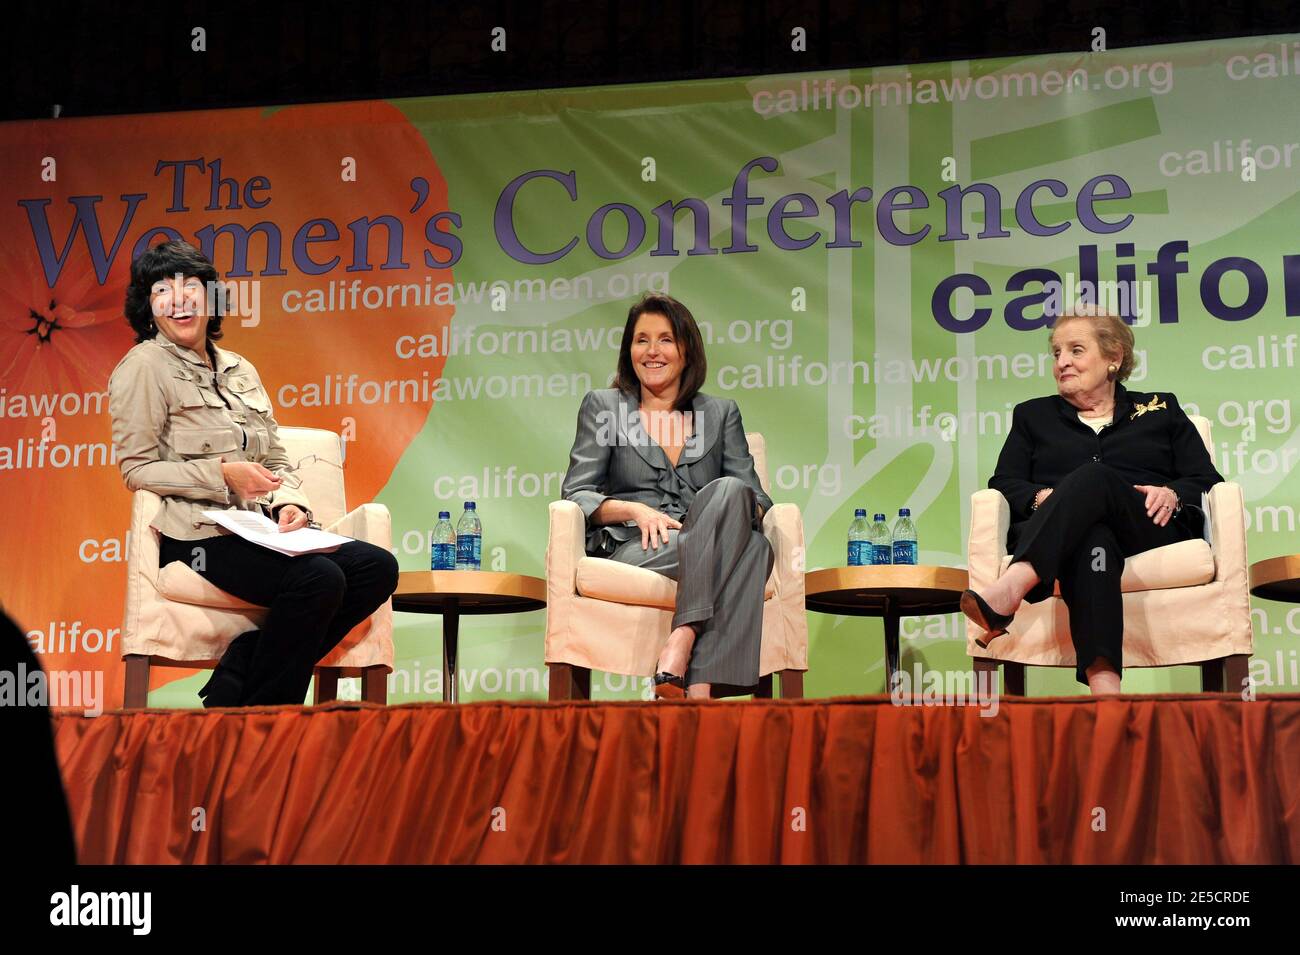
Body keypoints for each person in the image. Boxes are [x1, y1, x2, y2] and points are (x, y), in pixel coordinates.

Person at [108, 240, 398, 707]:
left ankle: (242, 666)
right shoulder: (143, 367)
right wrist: (222, 475)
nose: (178, 299)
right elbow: (137, 469)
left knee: (376, 567)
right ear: (148, 306)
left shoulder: (239, 368)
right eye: (162, 290)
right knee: (319, 578)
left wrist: (289, 502)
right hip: (198, 537)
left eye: (191, 287)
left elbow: (277, 458)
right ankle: (267, 717)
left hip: (257, 529)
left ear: (211, 299)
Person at [960, 304, 1223, 694]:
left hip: (1147, 524)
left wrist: (1171, 493)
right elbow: (1005, 483)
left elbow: (1205, 479)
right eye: (1056, 353)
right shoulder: (1033, 416)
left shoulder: (1161, 408)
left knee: (1097, 476)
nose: (1062, 362)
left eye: (1076, 350)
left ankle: (1014, 585)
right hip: (1071, 537)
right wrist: (1042, 498)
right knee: (1093, 541)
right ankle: (1106, 692)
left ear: (1113, 358)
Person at [562, 293, 775, 700]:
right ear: (629, 350)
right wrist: (633, 509)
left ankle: (682, 649)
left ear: (686, 348)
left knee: (735, 495)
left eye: (665, 339)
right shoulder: (605, 408)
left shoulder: (721, 413)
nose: (652, 351)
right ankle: (699, 679)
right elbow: (577, 492)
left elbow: (758, 499)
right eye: (642, 340)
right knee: (756, 553)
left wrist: (721, 513)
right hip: (640, 546)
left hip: (701, 538)